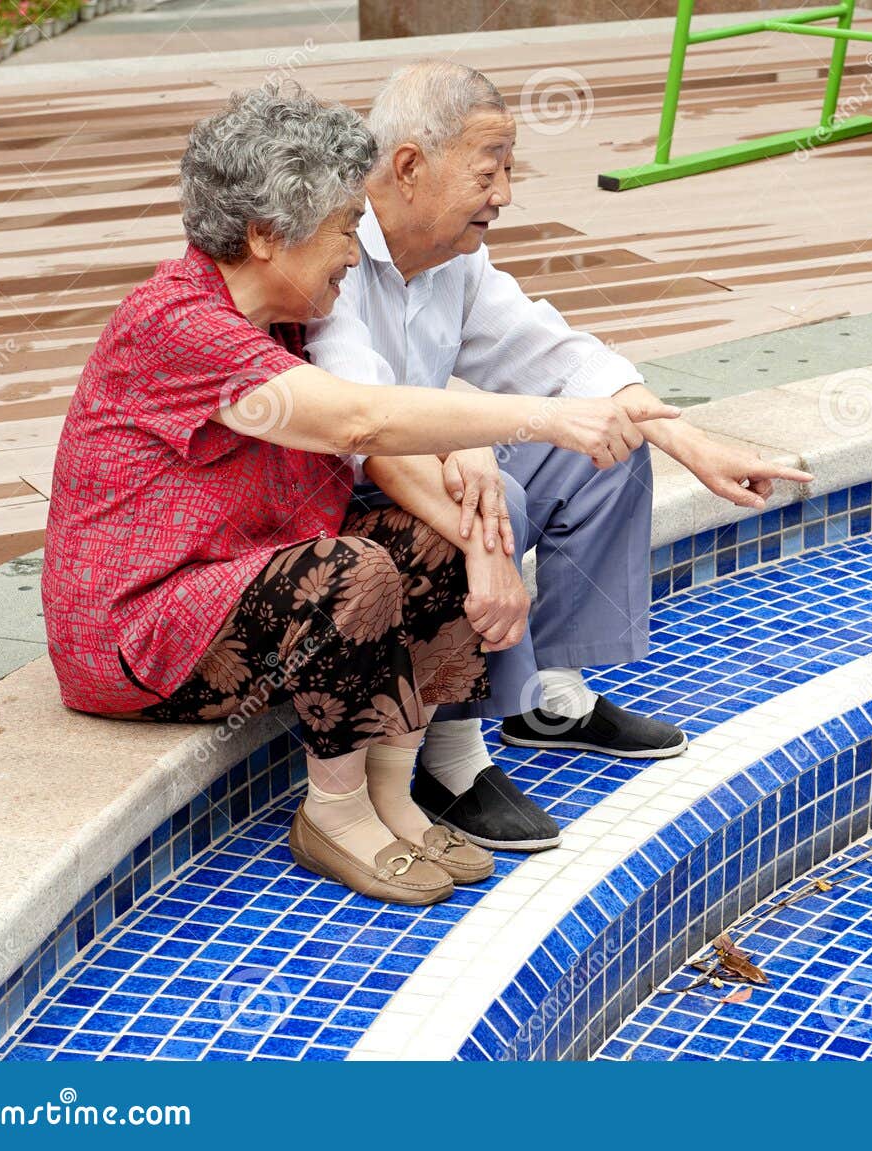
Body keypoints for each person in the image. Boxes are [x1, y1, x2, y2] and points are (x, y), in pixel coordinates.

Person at [41, 84, 678, 905]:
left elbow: (400, 421)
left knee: (430, 537)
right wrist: (551, 419)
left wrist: (489, 550)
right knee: (352, 570)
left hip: (243, 584)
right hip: (141, 630)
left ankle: (391, 792)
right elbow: (363, 420)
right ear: (268, 235)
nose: (355, 248)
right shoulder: (176, 324)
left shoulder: (290, 316)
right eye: (344, 227)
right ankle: (333, 814)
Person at [306, 61, 814, 852]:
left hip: (434, 465)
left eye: (509, 168)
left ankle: (551, 695)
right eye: (491, 169)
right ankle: (452, 756)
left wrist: (684, 438)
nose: (505, 193)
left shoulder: (453, 258)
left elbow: (556, 356)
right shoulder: (329, 253)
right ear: (410, 167)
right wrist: (466, 454)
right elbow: (364, 426)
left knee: (602, 446)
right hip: (350, 501)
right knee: (491, 488)